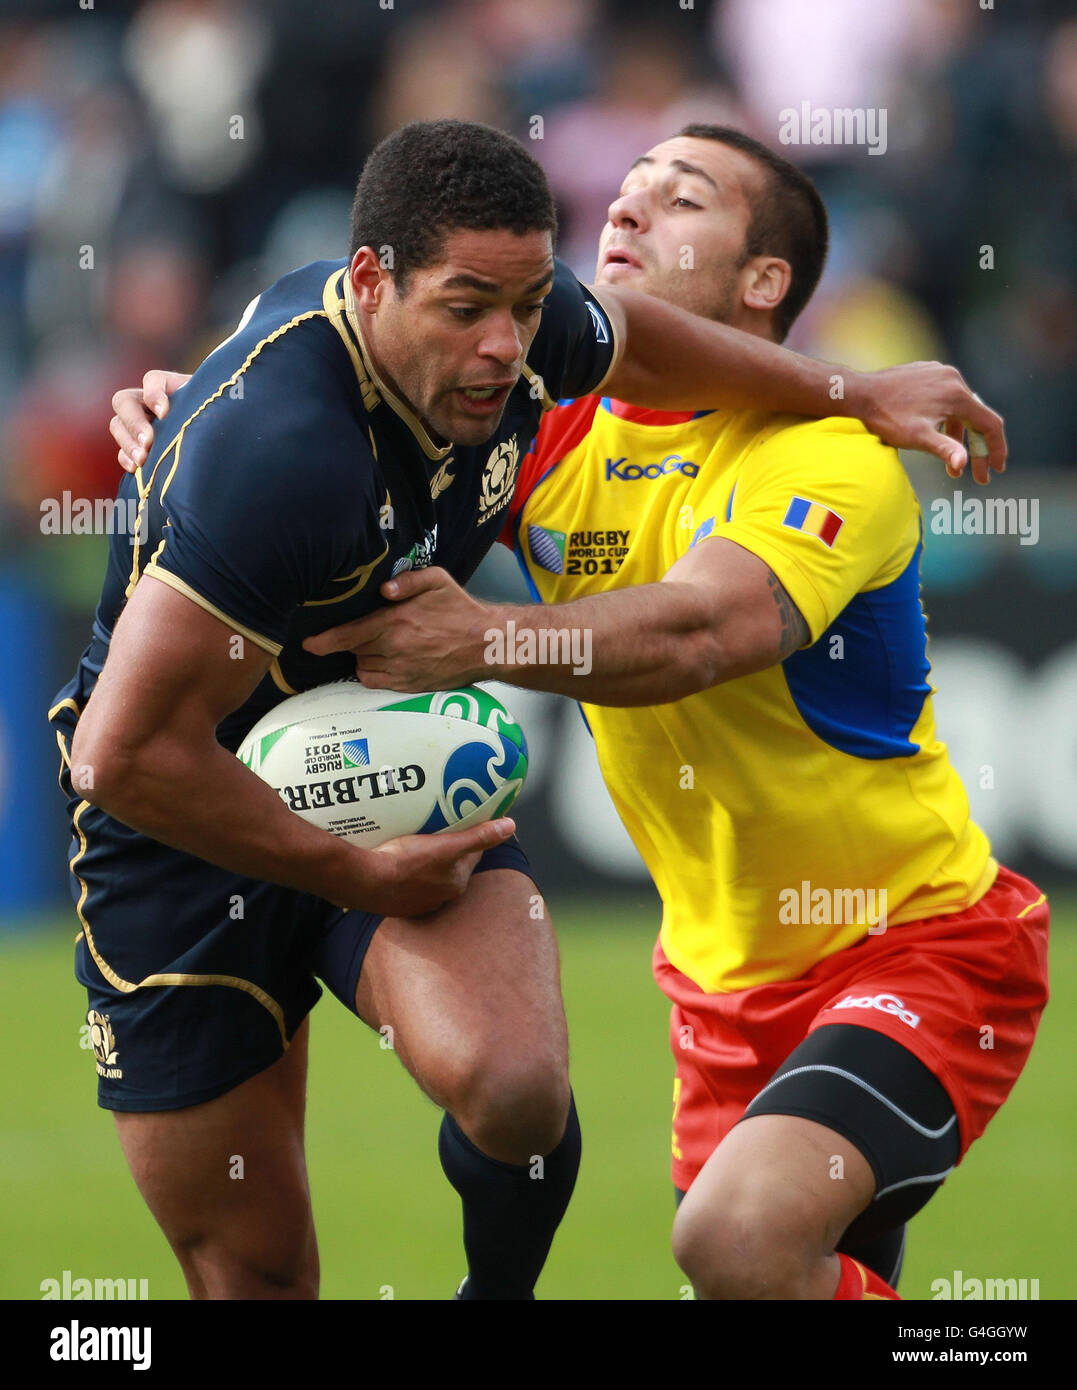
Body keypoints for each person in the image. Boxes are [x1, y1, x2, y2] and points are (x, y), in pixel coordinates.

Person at [99, 120, 1008, 1301]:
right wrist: (209, 411)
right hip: (715, 982)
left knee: (712, 1226)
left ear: (763, 278)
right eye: (624, 191)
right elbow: (328, 421)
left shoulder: (823, 455)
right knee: (259, 1272)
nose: (626, 214)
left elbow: (700, 629)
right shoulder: (535, 416)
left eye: (679, 198)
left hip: (907, 945)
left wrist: (483, 638)